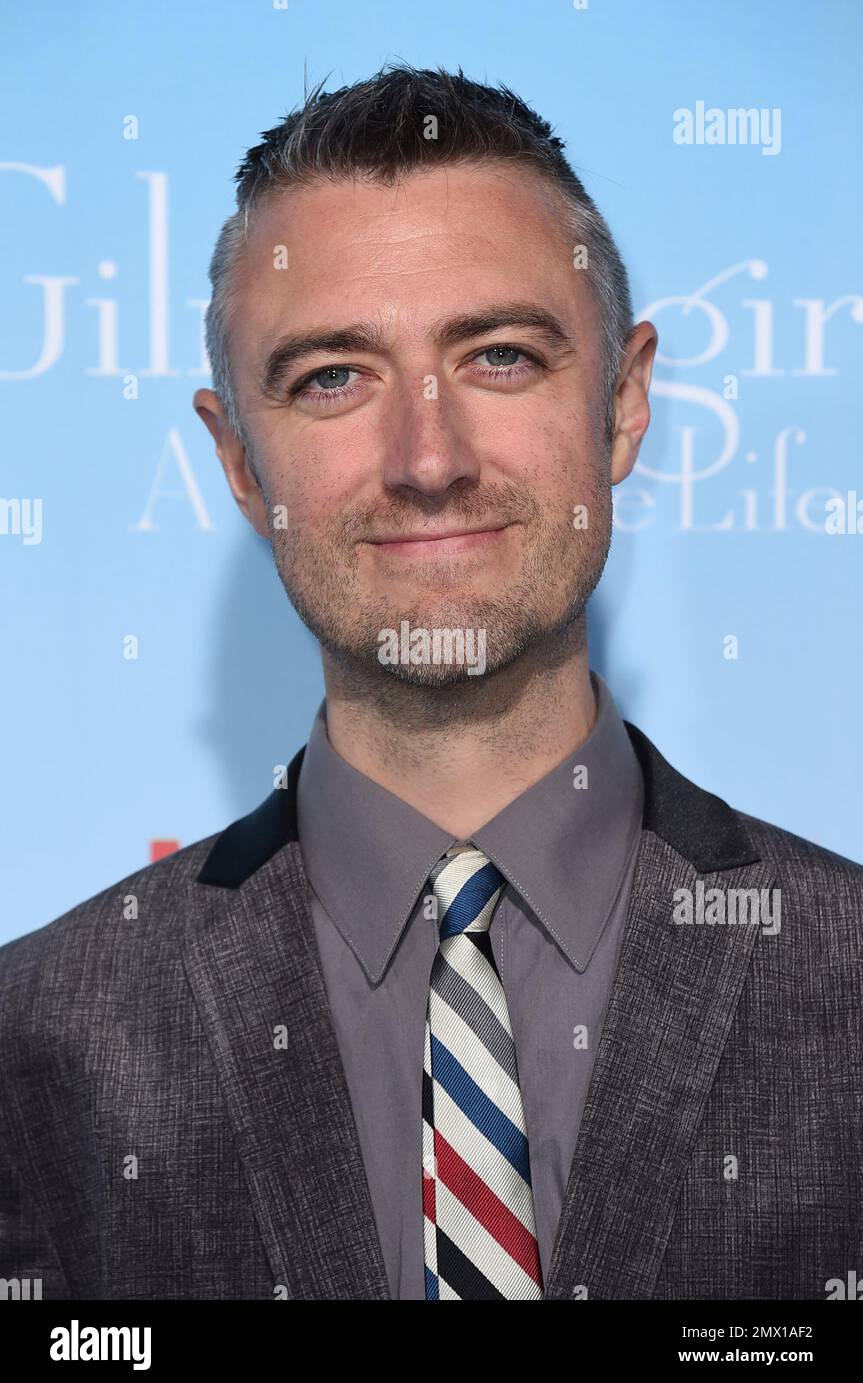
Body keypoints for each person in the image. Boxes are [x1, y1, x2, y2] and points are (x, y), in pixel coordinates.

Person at [1, 64, 860, 1302]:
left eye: (500, 356)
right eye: (332, 379)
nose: (426, 459)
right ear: (237, 460)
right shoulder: (39, 1044)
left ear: (622, 405)